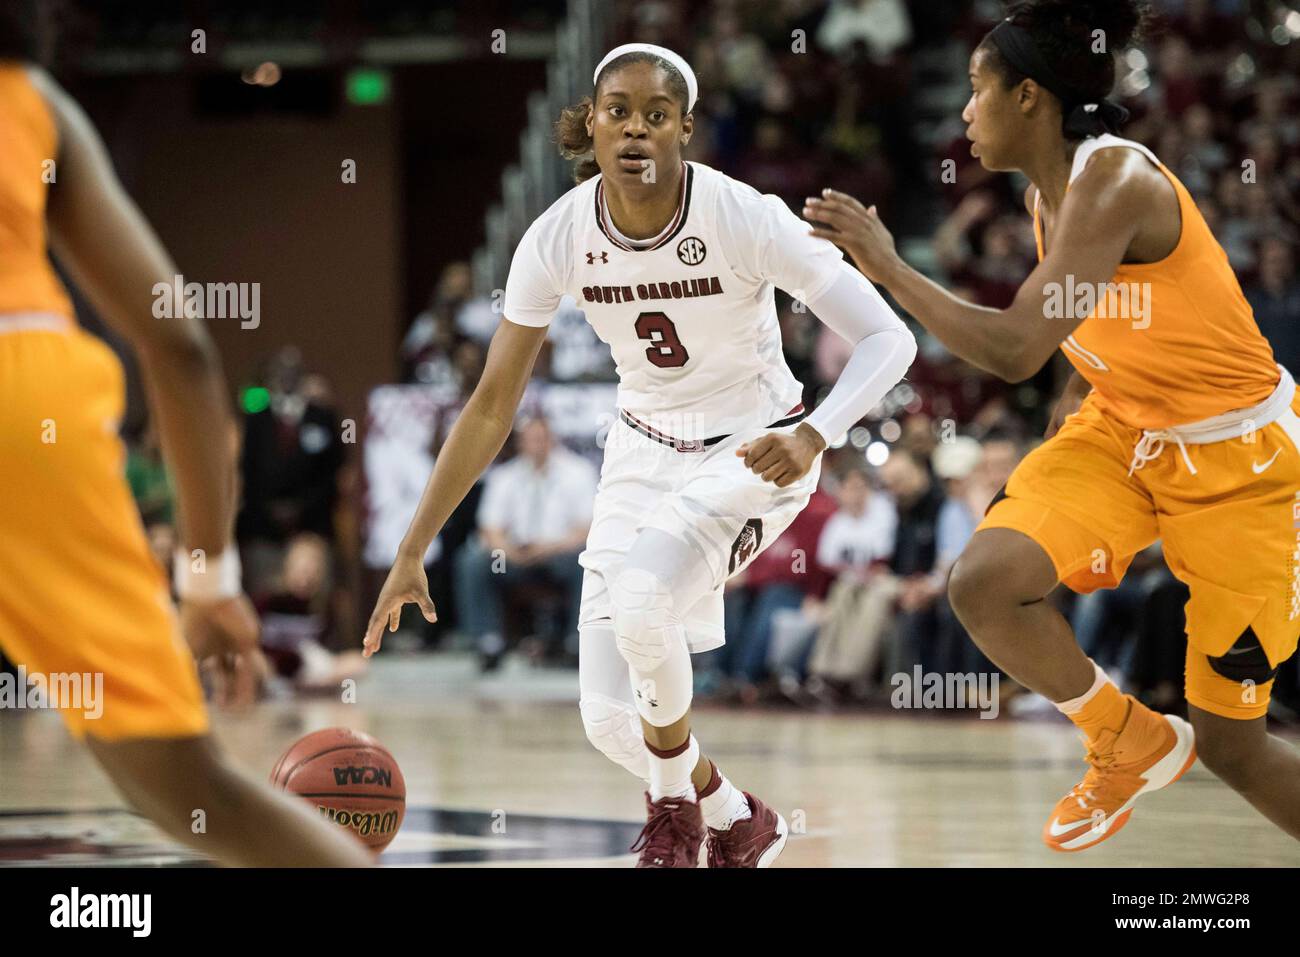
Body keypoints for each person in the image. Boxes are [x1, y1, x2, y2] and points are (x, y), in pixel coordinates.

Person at [365, 42, 916, 867]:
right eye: (616, 111)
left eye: (654, 115)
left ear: (683, 130)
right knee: (608, 716)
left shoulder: (744, 215)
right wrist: (413, 547)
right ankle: (736, 814)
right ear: (591, 123)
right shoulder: (556, 238)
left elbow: (888, 338)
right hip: (640, 452)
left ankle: (671, 817)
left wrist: (816, 433)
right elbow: (489, 406)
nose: (633, 129)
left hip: (755, 450)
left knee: (642, 596)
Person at [805, 0, 1300, 849]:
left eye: (976, 90)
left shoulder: (1117, 180)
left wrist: (887, 266)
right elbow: (1089, 322)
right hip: (1124, 430)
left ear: (1028, 97)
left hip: (1241, 467)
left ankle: (1163, 740)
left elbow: (1013, 348)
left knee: (1234, 747)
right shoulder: (1049, 191)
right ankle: (1126, 737)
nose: (965, 112)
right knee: (986, 580)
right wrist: (1077, 405)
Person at [0, 4, 369, 866]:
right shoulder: (30, 99)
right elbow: (181, 343)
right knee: (185, 784)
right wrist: (207, 577)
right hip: (23, 395)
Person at [453, 416, 596, 669]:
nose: (536, 445)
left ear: (553, 439)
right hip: (514, 558)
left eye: (542, 439)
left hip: (560, 555)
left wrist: (548, 548)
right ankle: (489, 641)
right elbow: (490, 527)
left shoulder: (578, 472)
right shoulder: (504, 476)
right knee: (473, 560)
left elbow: (586, 529)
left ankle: (578, 641)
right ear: (520, 442)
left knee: (587, 560)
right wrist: (508, 552)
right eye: (530, 439)